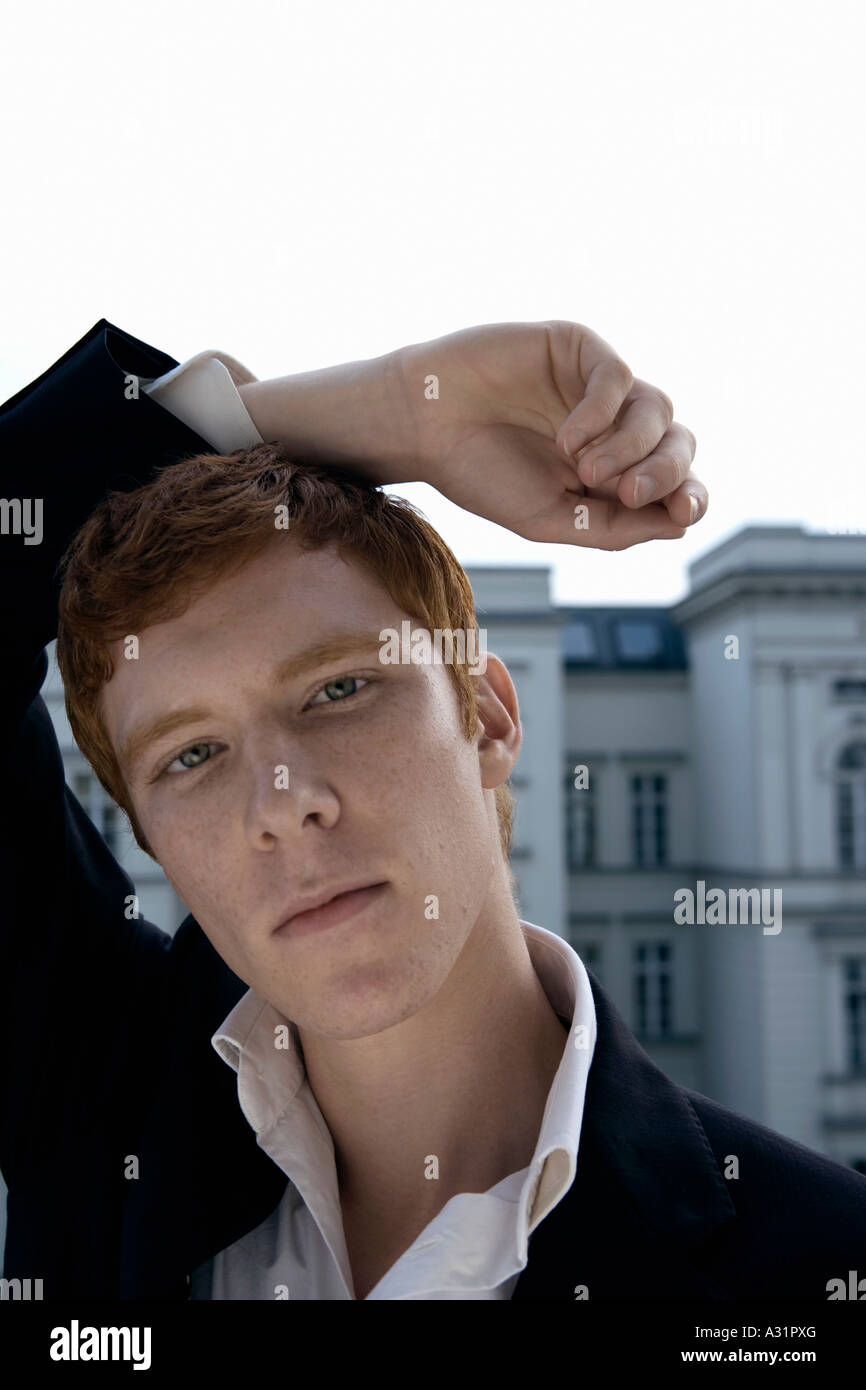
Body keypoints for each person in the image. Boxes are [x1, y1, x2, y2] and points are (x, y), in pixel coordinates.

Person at [3, 319, 862, 1302]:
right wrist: (391, 406)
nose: (284, 805)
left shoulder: (819, 1264)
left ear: (487, 716)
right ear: (147, 834)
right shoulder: (95, 1102)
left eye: (337, 691)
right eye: (192, 754)